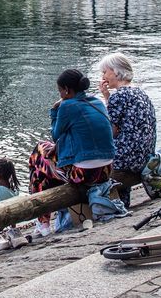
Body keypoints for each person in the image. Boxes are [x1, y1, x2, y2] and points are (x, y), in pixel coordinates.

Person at [28, 68, 115, 237]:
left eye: (60, 90)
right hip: (106, 170)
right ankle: (50, 217)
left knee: (37, 157)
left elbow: (55, 134)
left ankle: (43, 223)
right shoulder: (97, 102)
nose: (60, 94)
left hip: (84, 174)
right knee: (46, 158)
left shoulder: (67, 106)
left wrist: (54, 110)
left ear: (66, 90)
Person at [98, 52, 157, 208]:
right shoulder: (140, 92)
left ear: (116, 72)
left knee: (97, 157)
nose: (103, 76)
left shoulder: (119, 96)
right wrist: (106, 96)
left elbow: (112, 131)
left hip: (128, 158)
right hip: (145, 155)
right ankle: (122, 201)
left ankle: (115, 204)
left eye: (105, 72)